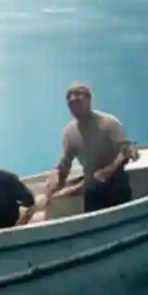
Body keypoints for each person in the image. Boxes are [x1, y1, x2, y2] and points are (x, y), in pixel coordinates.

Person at [44, 82, 138, 213]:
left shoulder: (109, 122)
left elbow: (126, 151)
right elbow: (65, 164)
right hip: (92, 190)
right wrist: (56, 175)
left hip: (116, 185)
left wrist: (107, 171)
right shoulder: (69, 132)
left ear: (89, 99)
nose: (72, 99)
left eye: (77, 95)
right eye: (69, 98)